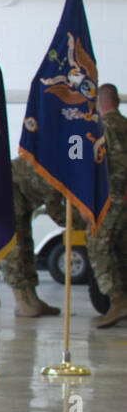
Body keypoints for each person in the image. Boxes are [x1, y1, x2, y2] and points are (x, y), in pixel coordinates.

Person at [0, 156, 68, 317]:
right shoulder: (57, 174)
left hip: (22, 192)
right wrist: (87, 224)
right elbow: (56, 212)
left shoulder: (65, 169)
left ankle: (32, 298)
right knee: (13, 247)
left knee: (26, 245)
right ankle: (21, 301)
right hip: (5, 188)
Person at [91, 83, 127, 327]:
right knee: (121, 250)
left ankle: (117, 301)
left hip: (112, 199)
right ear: (117, 102)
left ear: (99, 104)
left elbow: (97, 166)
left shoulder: (102, 129)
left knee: (98, 244)